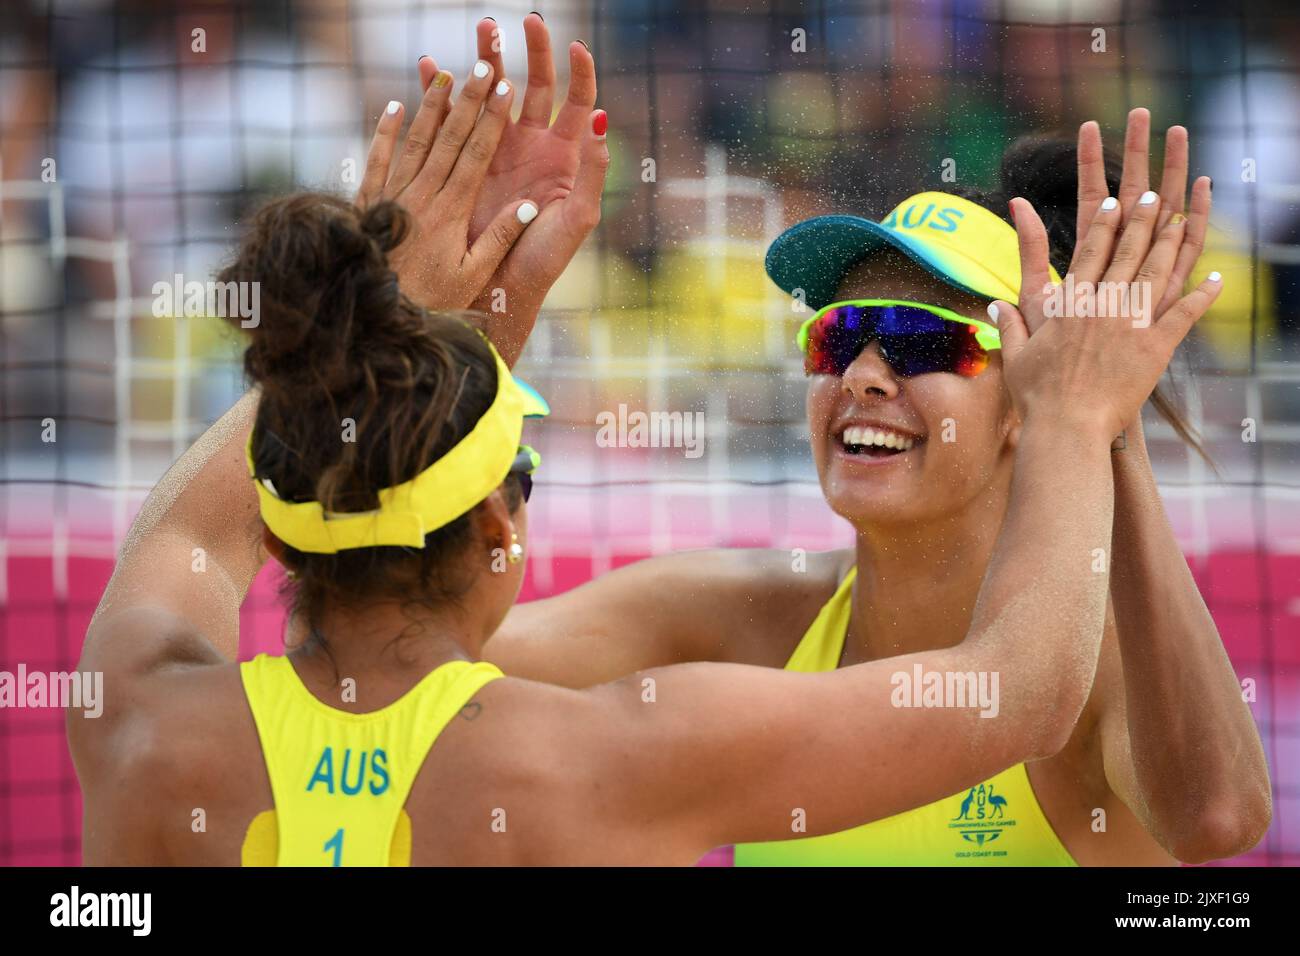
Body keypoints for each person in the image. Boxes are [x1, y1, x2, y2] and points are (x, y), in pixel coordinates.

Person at [70, 29, 1222, 866]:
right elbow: (1017, 691)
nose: (865, 369)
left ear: (286, 513)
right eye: (842, 334)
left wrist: (415, 318)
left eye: (919, 337)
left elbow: (189, 537)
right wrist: (1086, 417)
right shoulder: (609, 754)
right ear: (497, 530)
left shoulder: (141, 726)